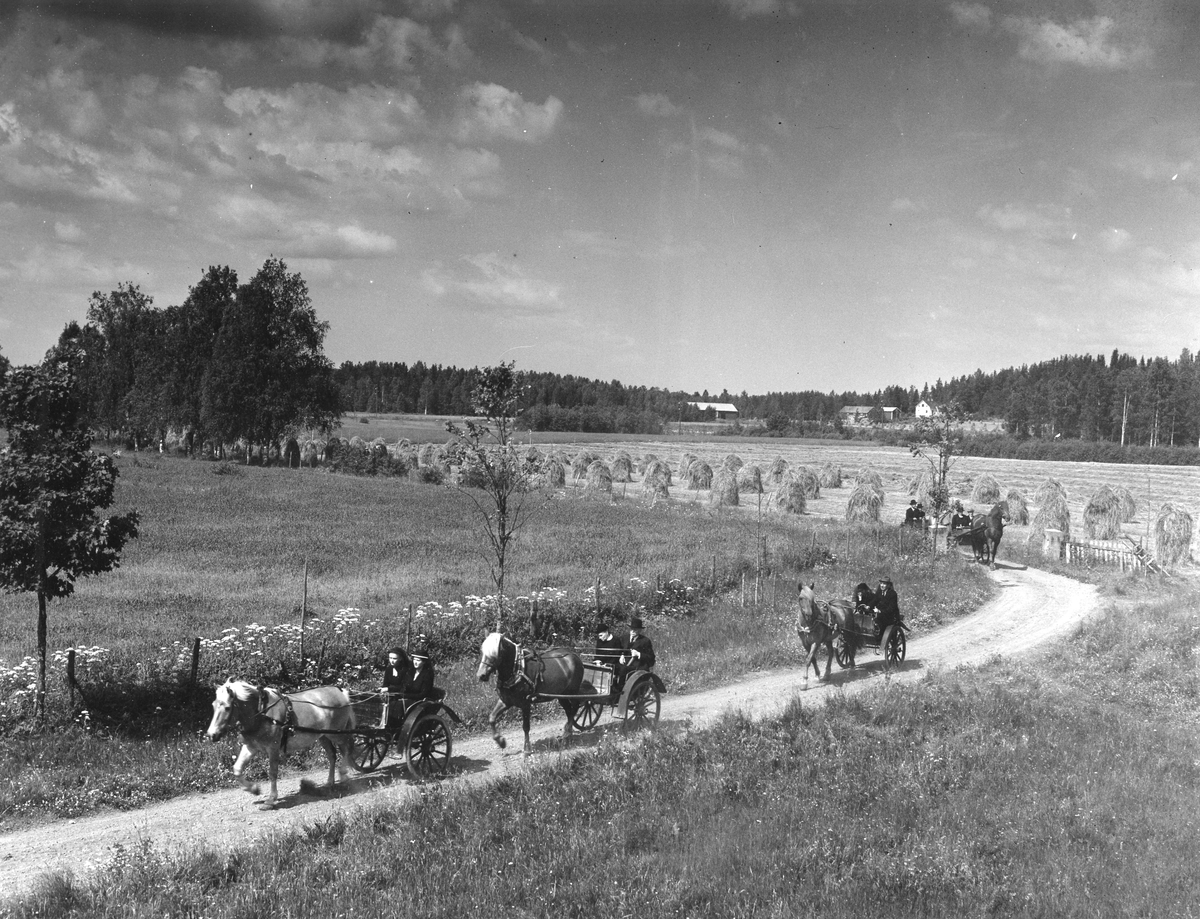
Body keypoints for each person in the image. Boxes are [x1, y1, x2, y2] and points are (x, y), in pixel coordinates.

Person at [379, 646, 412, 727]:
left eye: (394, 658)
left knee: (394, 706)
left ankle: (392, 727)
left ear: (400, 658)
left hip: (400, 695)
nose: (392, 661)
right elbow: (385, 684)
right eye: (390, 658)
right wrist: (383, 689)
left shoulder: (405, 670)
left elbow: (404, 686)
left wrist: (389, 688)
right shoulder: (389, 669)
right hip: (390, 695)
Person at [873, 577, 902, 644]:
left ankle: (880, 638)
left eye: (884, 584)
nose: (882, 585)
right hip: (881, 614)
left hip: (890, 617)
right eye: (881, 583)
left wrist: (880, 611)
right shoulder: (879, 592)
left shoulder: (893, 594)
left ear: (888, 585)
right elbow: (874, 601)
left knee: (879, 620)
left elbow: (891, 609)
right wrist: (868, 606)